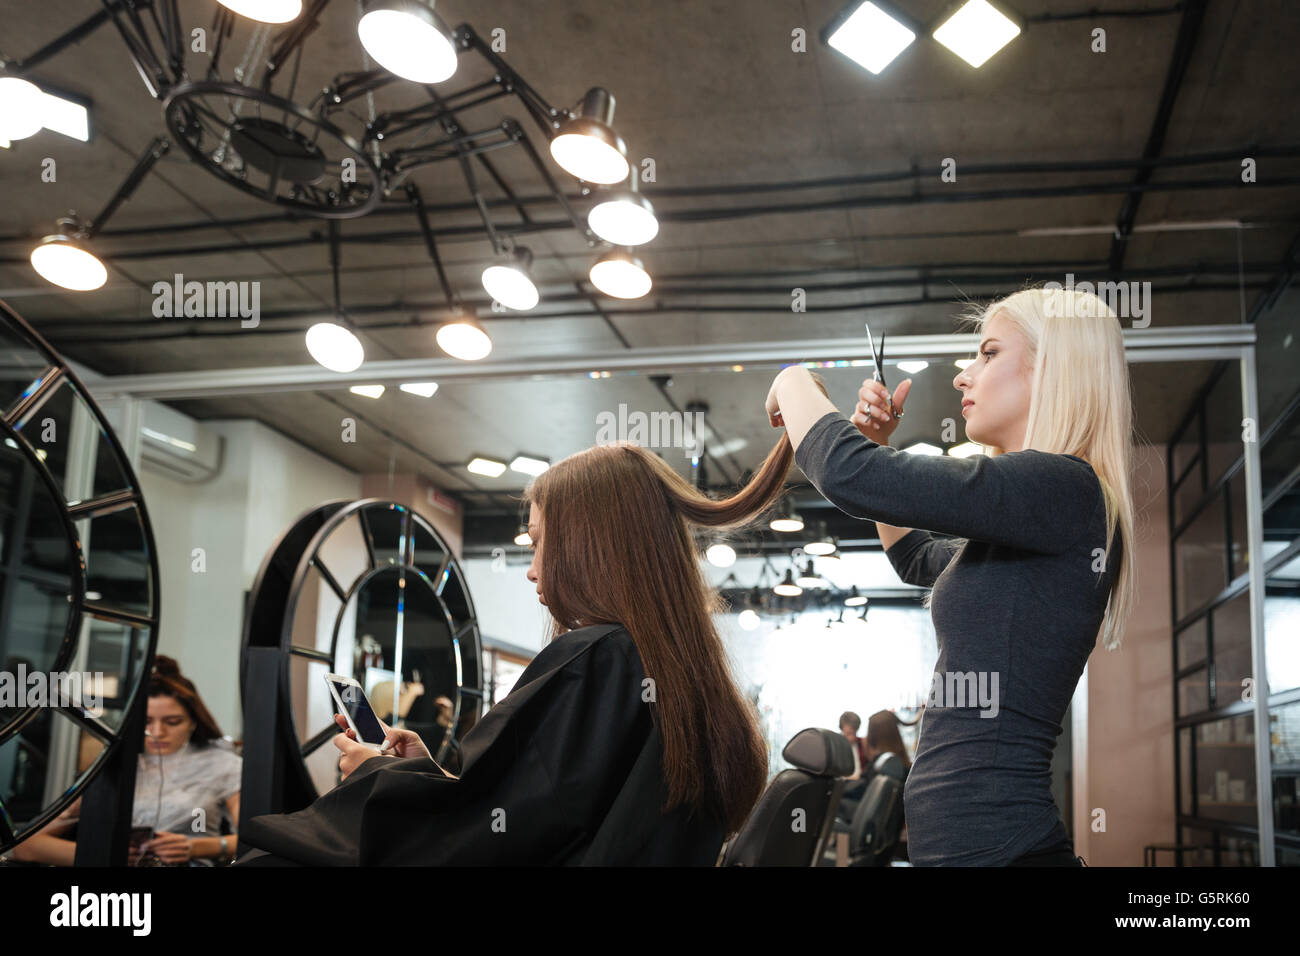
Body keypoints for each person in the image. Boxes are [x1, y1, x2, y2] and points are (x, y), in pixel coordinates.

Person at [236, 422, 831, 865]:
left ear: (587, 548)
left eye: (538, 542)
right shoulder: (674, 671)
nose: (531, 570)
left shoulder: (597, 658)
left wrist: (374, 779)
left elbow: (479, 842)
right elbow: (535, 821)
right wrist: (431, 777)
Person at [765, 286, 1136, 866]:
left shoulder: (1065, 488)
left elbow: (847, 474)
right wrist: (875, 444)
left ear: (1054, 369)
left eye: (988, 354)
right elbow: (916, 558)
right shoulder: (1032, 515)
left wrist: (794, 379)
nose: (965, 377)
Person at [7, 656, 242, 866]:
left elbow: (254, 839)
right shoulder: (114, 766)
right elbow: (25, 846)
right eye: (147, 722)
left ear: (193, 721)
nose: (158, 732)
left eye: (172, 722)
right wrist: (104, 855)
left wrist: (198, 847)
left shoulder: (222, 765)